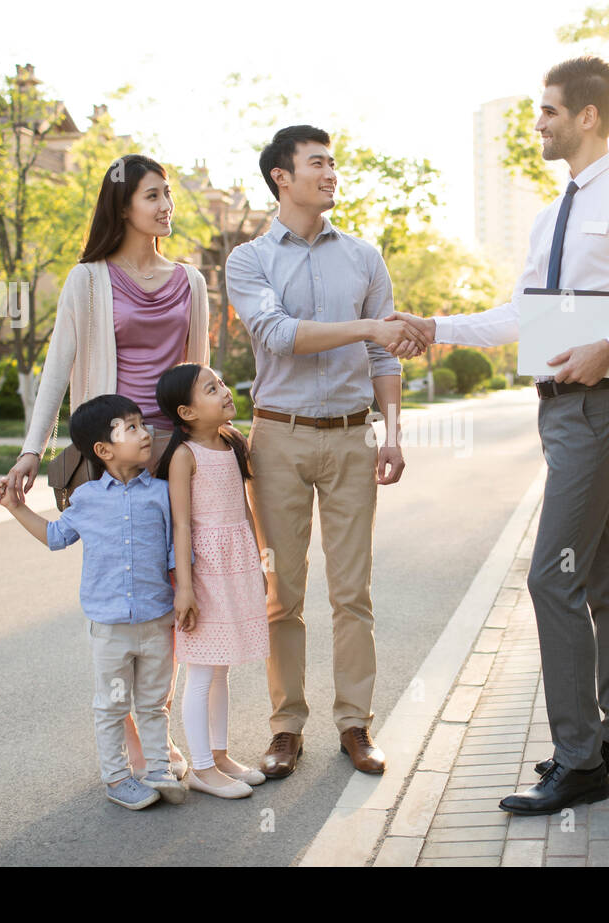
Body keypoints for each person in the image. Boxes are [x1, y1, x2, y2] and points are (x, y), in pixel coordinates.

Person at [390, 57, 609, 815]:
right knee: (605, 576)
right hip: (557, 410)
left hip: (599, 406)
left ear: (588, 117)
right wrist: (434, 328)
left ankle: (579, 762)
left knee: (550, 577)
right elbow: (520, 319)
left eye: (547, 110)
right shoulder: (549, 215)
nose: (537, 123)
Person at [224, 125, 426, 779]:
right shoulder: (248, 261)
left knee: (352, 593)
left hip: (350, 435)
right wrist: (371, 325)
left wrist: (391, 430)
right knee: (281, 593)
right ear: (282, 176)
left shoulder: (365, 257)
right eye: (318, 163)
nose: (331, 172)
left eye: (334, 162)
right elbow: (279, 335)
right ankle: (285, 727)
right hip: (277, 437)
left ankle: (355, 724)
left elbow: (382, 355)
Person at [0, 153, 209, 778]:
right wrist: (34, 448)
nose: (166, 204)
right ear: (123, 207)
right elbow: (57, 367)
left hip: (172, 452)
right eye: (153, 195)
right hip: (108, 455)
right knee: (123, 595)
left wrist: (214, 445)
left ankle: (162, 724)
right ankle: (134, 747)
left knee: (173, 590)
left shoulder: (190, 281)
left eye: (168, 194)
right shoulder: (87, 280)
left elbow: (197, 373)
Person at [0, 394, 190, 810]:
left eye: (142, 425)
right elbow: (54, 537)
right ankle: (117, 778)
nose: (145, 433)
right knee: (112, 705)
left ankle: (157, 769)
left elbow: (176, 554)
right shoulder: (85, 500)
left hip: (158, 621)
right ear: (103, 449)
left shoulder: (160, 494)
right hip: (109, 628)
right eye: (132, 427)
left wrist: (186, 598)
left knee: (154, 703)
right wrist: (15, 506)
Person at [154, 363, 270, 799]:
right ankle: (200, 768)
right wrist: (184, 587)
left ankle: (219, 756)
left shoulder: (232, 443)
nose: (223, 391)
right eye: (211, 388)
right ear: (186, 411)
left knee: (222, 667)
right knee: (201, 669)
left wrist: (258, 563)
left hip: (236, 565)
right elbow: (181, 526)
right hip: (203, 572)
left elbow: (243, 509)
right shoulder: (185, 456)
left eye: (220, 383)